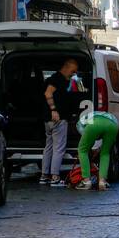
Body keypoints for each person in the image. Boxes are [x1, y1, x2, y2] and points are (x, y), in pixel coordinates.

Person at [40, 57, 79, 188]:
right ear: (66, 67)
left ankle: (44, 176)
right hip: (58, 118)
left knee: (49, 147)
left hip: (49, 120)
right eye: (72, 71)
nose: (73, 74)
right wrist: (54, 109)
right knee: (59, 148)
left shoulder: (56, 79)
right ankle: (55, 177)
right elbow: (48, 93)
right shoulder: (57, 79)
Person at [76, 109, 119, 192]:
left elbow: (86, 138)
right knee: (105, 153)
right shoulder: (99, 114)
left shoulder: (79, 123)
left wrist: (90, 147)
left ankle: (86, 181)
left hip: (94, 124)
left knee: (82, 150)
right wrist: (98, 147)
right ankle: (102, 182)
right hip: (113, 124)